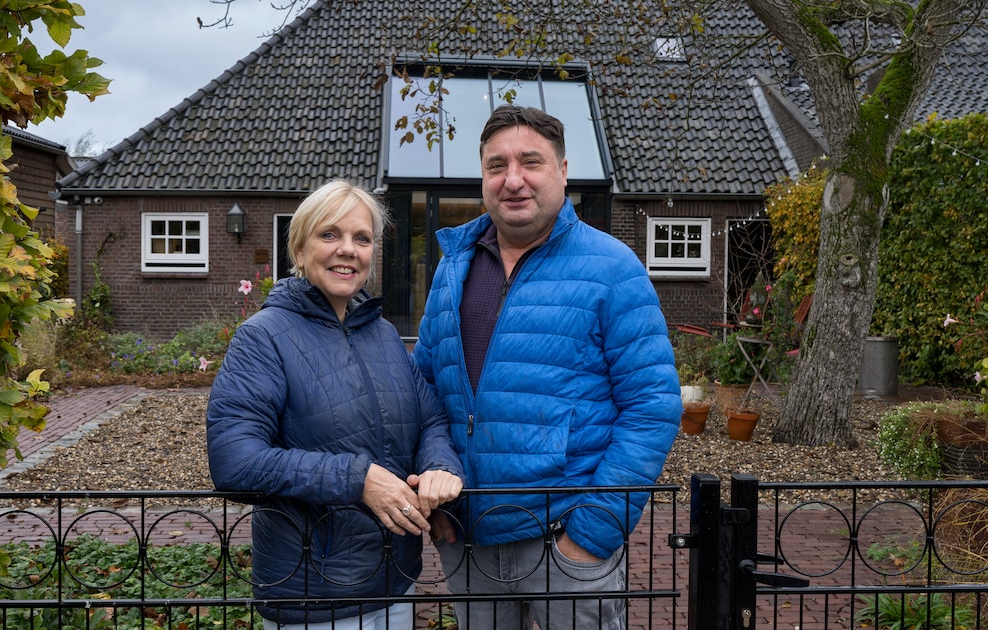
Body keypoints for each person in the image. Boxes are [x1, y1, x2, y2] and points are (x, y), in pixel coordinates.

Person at [413, 105, 682, 629]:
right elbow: (424, 390)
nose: (512, 180)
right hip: (471, 541)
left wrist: (593, 532)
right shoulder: (453, 267)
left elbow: (652, 407)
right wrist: (439, 494)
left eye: (530, 162)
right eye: (496, 166)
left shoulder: (612, 269)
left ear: (562, 171)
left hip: (567, 544)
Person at [206, 179, 465, 629]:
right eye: (330, 235)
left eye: (361, 239)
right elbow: (235, 461)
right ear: (300, 250)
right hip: (313, 594)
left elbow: (430, 419)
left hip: (393, 581)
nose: (348, 249)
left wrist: (439, 466)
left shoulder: (383, 334)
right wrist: (357, 479)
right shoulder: (263, 337)